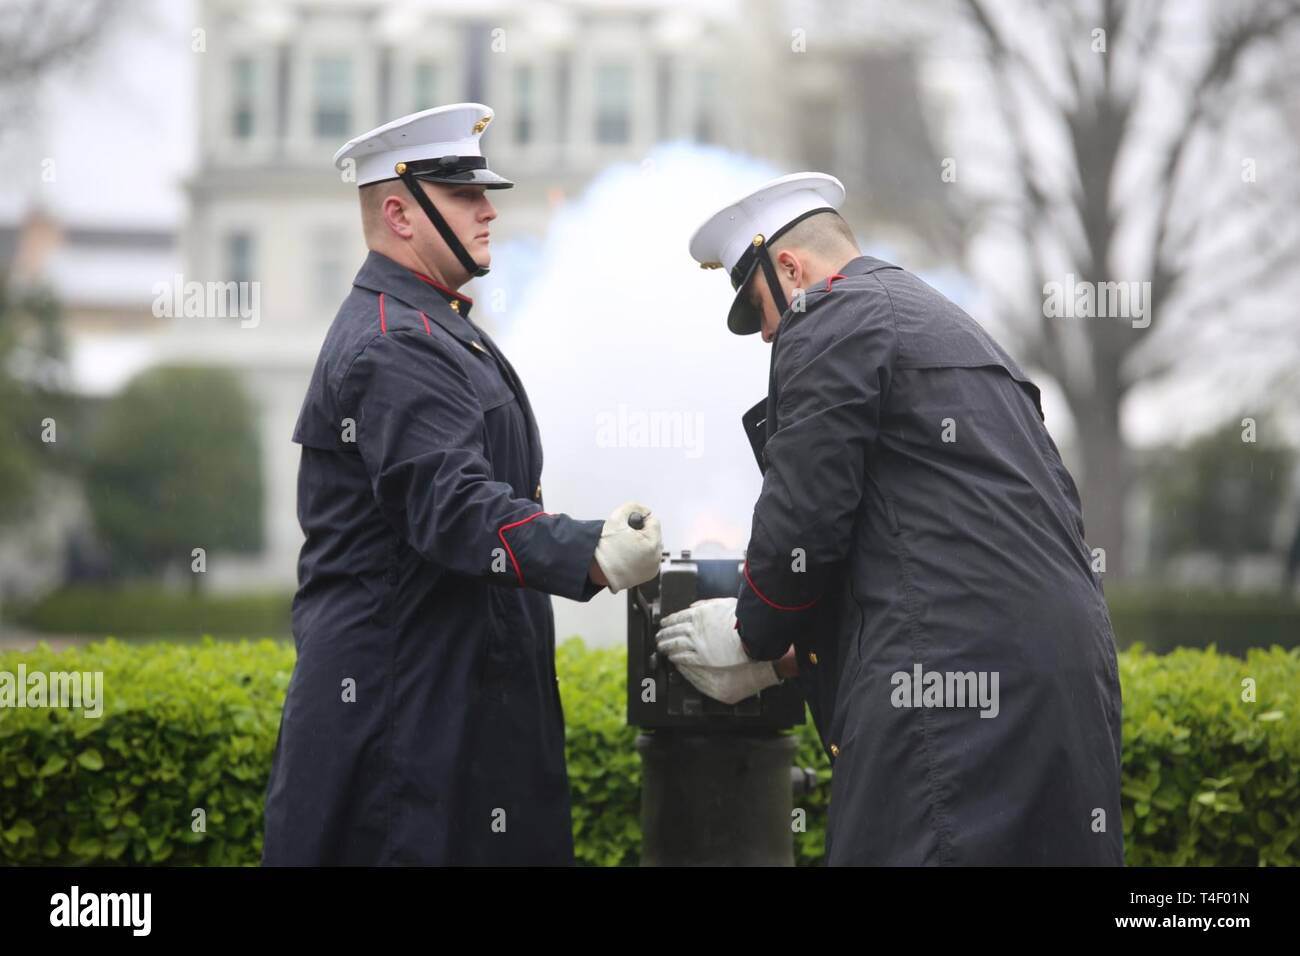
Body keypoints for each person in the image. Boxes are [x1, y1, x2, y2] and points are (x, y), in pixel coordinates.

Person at [658, 172, 1124, 865]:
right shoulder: (951, 325)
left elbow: (804, 519)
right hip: (1064, 678)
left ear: (790, 268)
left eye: (759, 308)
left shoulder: (828, 315)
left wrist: (751, 635)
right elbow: (935, 541)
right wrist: (796, 656)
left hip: (950, 693)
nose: (764, 336)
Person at [262, 103, 663, 865]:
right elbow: (452, 505)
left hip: (438, 705)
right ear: (397, 213)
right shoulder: (396, 342)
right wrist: (590, 551)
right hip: (399, 720)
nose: (488, 210)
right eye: (463, 195)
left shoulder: (431, 325)